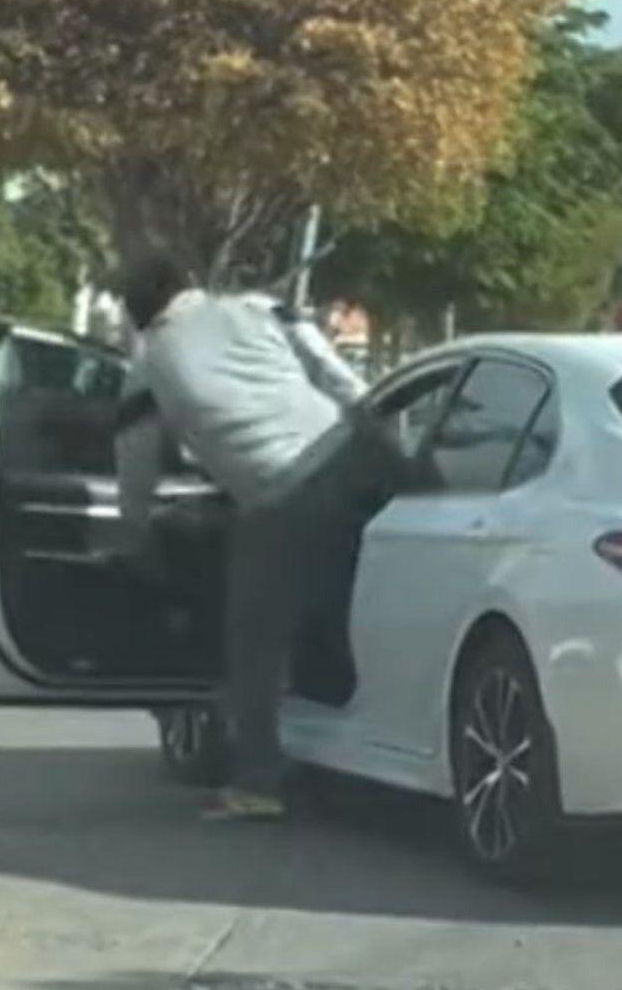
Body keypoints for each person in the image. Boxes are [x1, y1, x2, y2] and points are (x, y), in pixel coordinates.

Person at [114, 255, 403, 820]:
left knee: (254, 643)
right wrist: (392, 449)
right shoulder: (261, 308)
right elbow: (339, 378)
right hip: (353, 457)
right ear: (188, 284)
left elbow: (136, 464)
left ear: (135, 313)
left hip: (279, 494)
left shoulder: (148, 365)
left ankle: (257, 784)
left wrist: (134, 532)